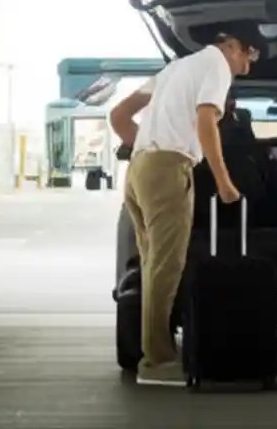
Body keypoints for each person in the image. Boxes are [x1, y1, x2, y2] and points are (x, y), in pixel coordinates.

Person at [108, 28, 266, 387]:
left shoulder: (174, 69)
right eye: (249, 57)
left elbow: (119, 116)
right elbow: (206, 120)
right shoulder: (217, 65)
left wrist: (147, 148)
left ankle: (155, 351)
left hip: (139, 170)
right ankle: (158, 361)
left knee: (152, 267)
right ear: (233, 44)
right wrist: (224, 182)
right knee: (166, 267)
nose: (246, 67)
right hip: (167, 170)